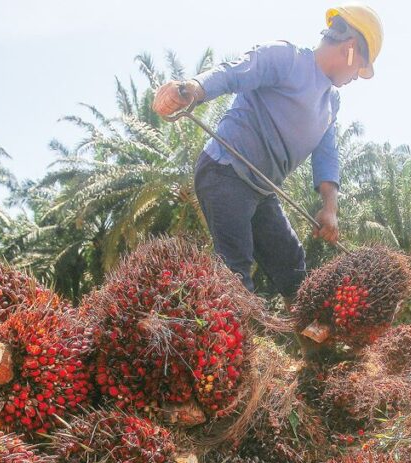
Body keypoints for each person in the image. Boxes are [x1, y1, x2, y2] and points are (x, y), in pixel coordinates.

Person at [153, 4, 383, 299]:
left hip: (261, 190)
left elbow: (326, 156)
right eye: (360, 67)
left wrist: (330, 209)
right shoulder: (286, 58)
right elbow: (233, 72)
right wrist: (190, 89)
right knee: (236, 270)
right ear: (350, 48)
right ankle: (236, 343)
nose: (356, 77)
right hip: (225, 171)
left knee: (293, 268)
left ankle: (313, 345)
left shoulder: (330, 103)